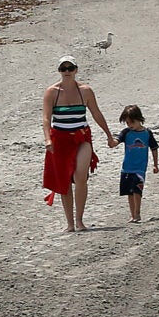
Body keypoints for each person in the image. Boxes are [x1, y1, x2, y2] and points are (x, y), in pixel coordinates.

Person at [42, 58, 116, 233]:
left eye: (70, 67)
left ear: (76, 69)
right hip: (59, 140)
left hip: (81, 138)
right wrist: (47, 140)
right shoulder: (52, 92)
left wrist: (108, 135)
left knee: (81, 176)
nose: (67, 71)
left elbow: (96, 113)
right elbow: (46, 118)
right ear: (59, 70)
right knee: (65, 181)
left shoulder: (86, 91)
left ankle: (80, 220)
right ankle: (70, 223)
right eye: (63, 68)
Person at [114, 104, 159, 222]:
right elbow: (116, 141)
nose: (129, 125)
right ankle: (133, 214)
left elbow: (154, 148)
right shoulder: (126, 132)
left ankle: (137, 213)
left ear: (139, 119)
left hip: (140, 168)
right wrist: (111, 141)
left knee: (137, 190)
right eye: (127, 123)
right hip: (127, 167)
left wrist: (155, 164)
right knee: (129, 192)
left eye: (131, 122)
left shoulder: (147, 133)